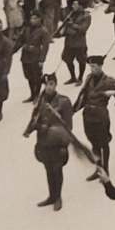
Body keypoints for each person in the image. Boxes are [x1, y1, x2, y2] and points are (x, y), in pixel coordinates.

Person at [22, 73, 74, 210]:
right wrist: (29, 129)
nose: (48, 87)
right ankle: (51, 196)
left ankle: (58, 197)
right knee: (48, 169)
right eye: (46, 84)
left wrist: (65, 144)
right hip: (43, 141)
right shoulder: (41, 101)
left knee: (57, 170)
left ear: (56, 85)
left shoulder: (64, 101)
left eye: (51, 84)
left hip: (57, 142)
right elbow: (35, 118)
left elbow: (68, 126)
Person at [77, 55, 115, 180]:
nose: (92, 69)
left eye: (94, 67)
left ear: (100, 66)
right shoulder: (89, 78)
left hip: (101, 116)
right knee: (94, 143)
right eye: (91, 67)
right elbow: (82, 95)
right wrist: (73, 110)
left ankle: (105, 169)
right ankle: (98, 168)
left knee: (104, 143)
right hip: (88, 116)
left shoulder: (109, 81)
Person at [18, 13, 51, 102]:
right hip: (25, 56)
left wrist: (42, 59)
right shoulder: (26, 29)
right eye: (32, 18)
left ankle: (37, 95)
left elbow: (45, 46)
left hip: (36, 57)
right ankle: (32, 94)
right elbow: (20, 40)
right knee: (28, 76)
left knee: (37, 77)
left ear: (40, 19)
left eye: (35, 18)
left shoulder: (43, 31)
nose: (33, 20)